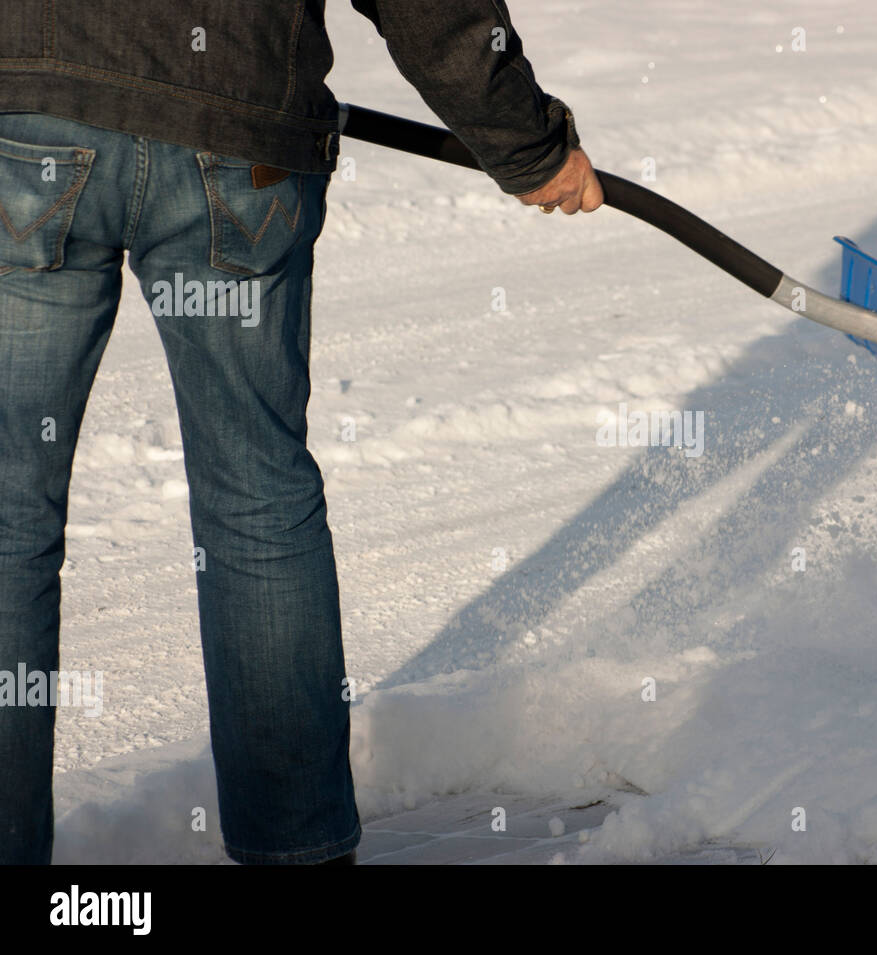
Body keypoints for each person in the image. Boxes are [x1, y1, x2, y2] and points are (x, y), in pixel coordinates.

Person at [0, 0, 602, 866]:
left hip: (32, 118)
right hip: (237, 128)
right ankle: (297, 850)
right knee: (256, 503)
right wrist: (528, 142)